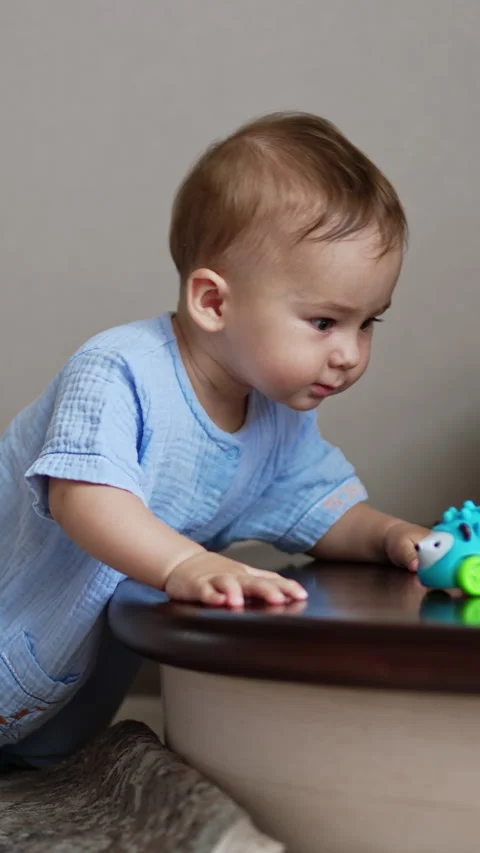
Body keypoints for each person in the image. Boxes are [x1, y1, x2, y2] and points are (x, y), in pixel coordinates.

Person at [0, 112, 429, 768]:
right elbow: (85, 499)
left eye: (368, 322)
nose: (349, 353)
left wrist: (395, 538)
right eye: (323, 321)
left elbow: (323, 510)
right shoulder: (118, 370)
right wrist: (186, 565)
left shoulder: (276, 418)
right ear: (213, 302)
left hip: (50, 707)